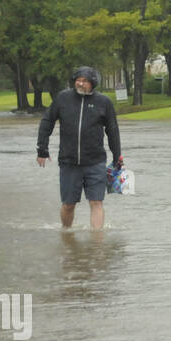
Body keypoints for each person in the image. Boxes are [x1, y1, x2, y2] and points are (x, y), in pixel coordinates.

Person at [36, 66, 123, 230]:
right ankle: (66, 233)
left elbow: (113, 131)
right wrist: (42, 149)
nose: (80, 84)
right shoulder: (63, 98)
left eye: (84, 81)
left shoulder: (103, 102)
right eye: (78, 80)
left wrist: (117, 157)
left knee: (96, 202)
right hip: (69, 162)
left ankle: (97, 243)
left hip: (95, 162)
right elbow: (47, 122)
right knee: (68, 205)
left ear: (93, 83)